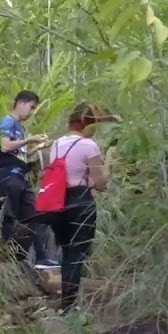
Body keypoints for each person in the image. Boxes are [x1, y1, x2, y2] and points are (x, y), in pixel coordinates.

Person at [42, 103, 119, 313]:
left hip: (58, 201)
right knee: (78, 253)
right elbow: (101, 183)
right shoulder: (88, 145)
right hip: (79, 200)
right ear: (87, 124)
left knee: (67, 251)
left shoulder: (57, 144)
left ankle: (66, 301)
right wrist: (110, 161)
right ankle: (69, 305)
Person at [0, 91, 58, 271]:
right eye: (31, 107)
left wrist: (36, 147)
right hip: (8, 175)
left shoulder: (20, 128)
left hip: (21, 176)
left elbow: (20, 154)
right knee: (8, 215)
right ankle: (4, 257)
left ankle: (41, 257)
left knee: (35, 215)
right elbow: (5, 146)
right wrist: (30, 139)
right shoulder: (7, 121)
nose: (31, 112)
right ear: (20, 103)